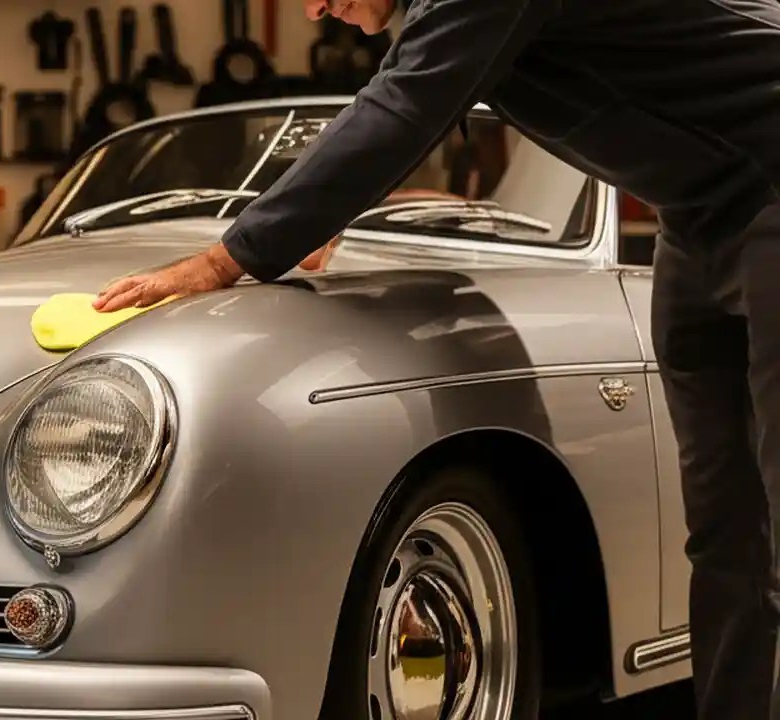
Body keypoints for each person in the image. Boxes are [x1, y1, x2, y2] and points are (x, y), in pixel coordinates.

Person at [92, 0, 780, 718]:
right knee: (725, 533)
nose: (315, 8)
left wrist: (224, 260)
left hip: (770, 180)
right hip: (698, 212)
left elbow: (404, 105)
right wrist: (318, 216)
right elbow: (407, 91)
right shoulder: (449, 17)